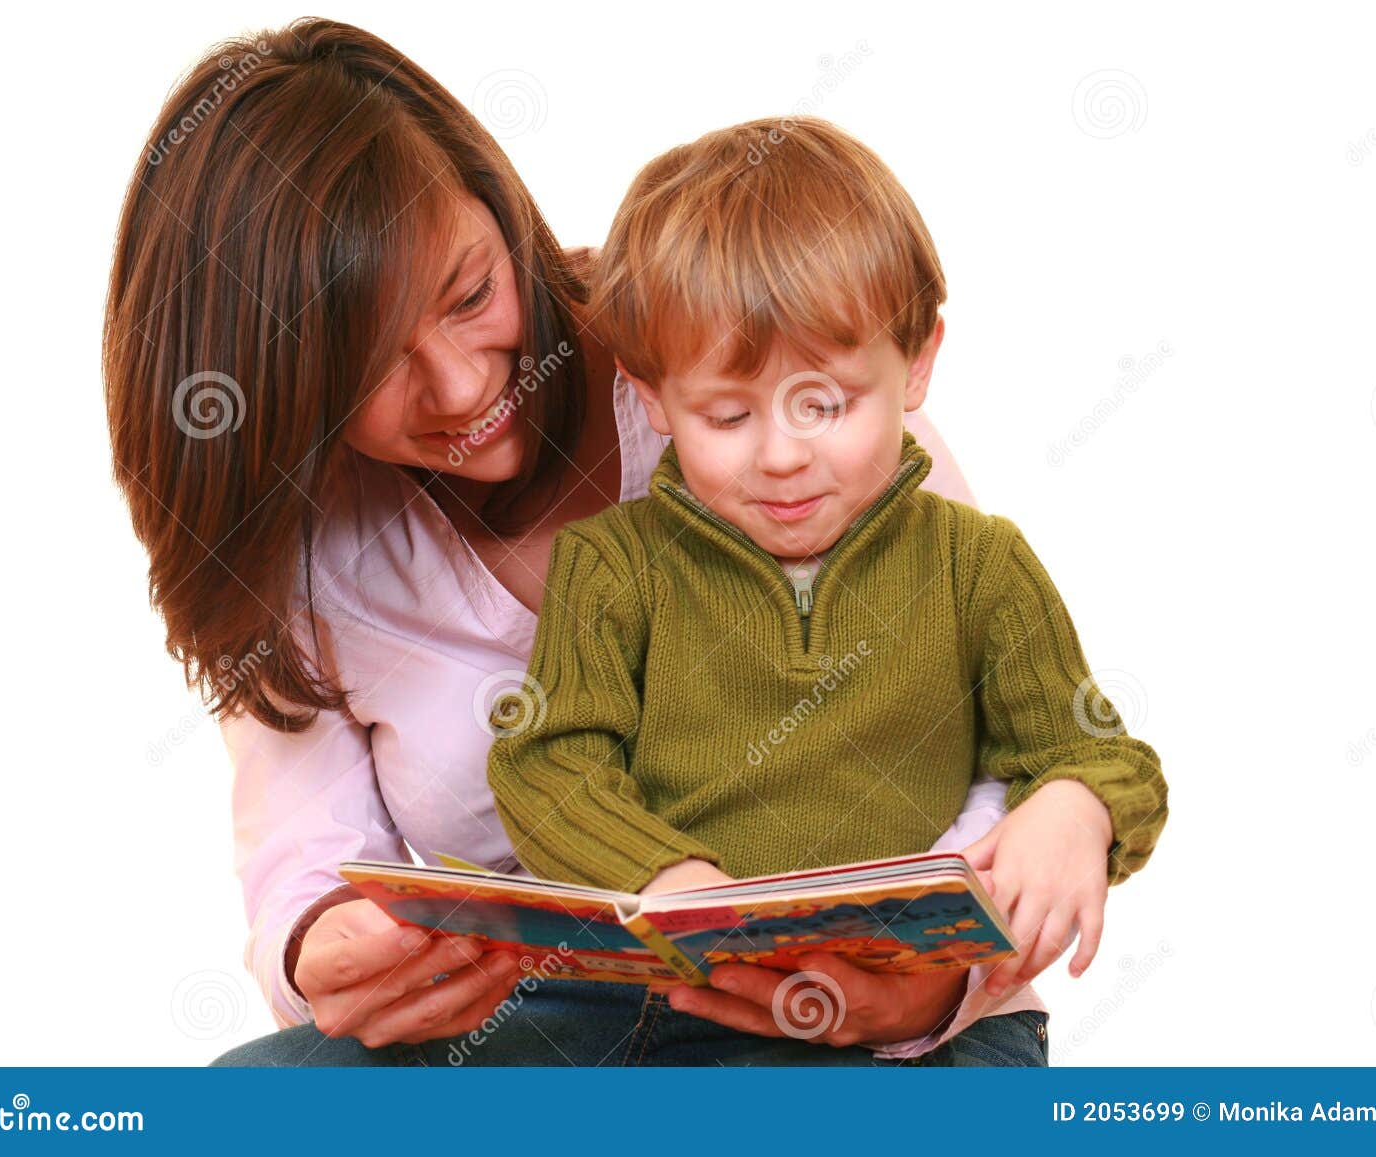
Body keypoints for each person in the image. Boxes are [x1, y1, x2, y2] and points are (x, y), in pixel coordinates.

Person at [101, 18, 1059, 1065]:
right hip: (544, 1024)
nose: (464, 387)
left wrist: (933, 984)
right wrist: (324, 947)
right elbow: (307, 850)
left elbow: (1011, 744)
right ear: (282, 395)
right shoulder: (306, 534)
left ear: (499, 204)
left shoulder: (742, 344)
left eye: (470, 293)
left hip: (867, 1023)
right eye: (367, 365)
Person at [482, 116, 1169, 1062]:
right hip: (677, 993)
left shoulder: (979, 563)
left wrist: (1076, 805)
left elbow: (1102, 754)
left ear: (918, 362)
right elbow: (546, 764)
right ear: (650, 396)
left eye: (826, 403)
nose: (779, 455)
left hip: (918, 1012)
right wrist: (670, 878)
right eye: (725, 413)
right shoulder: (614, 565)